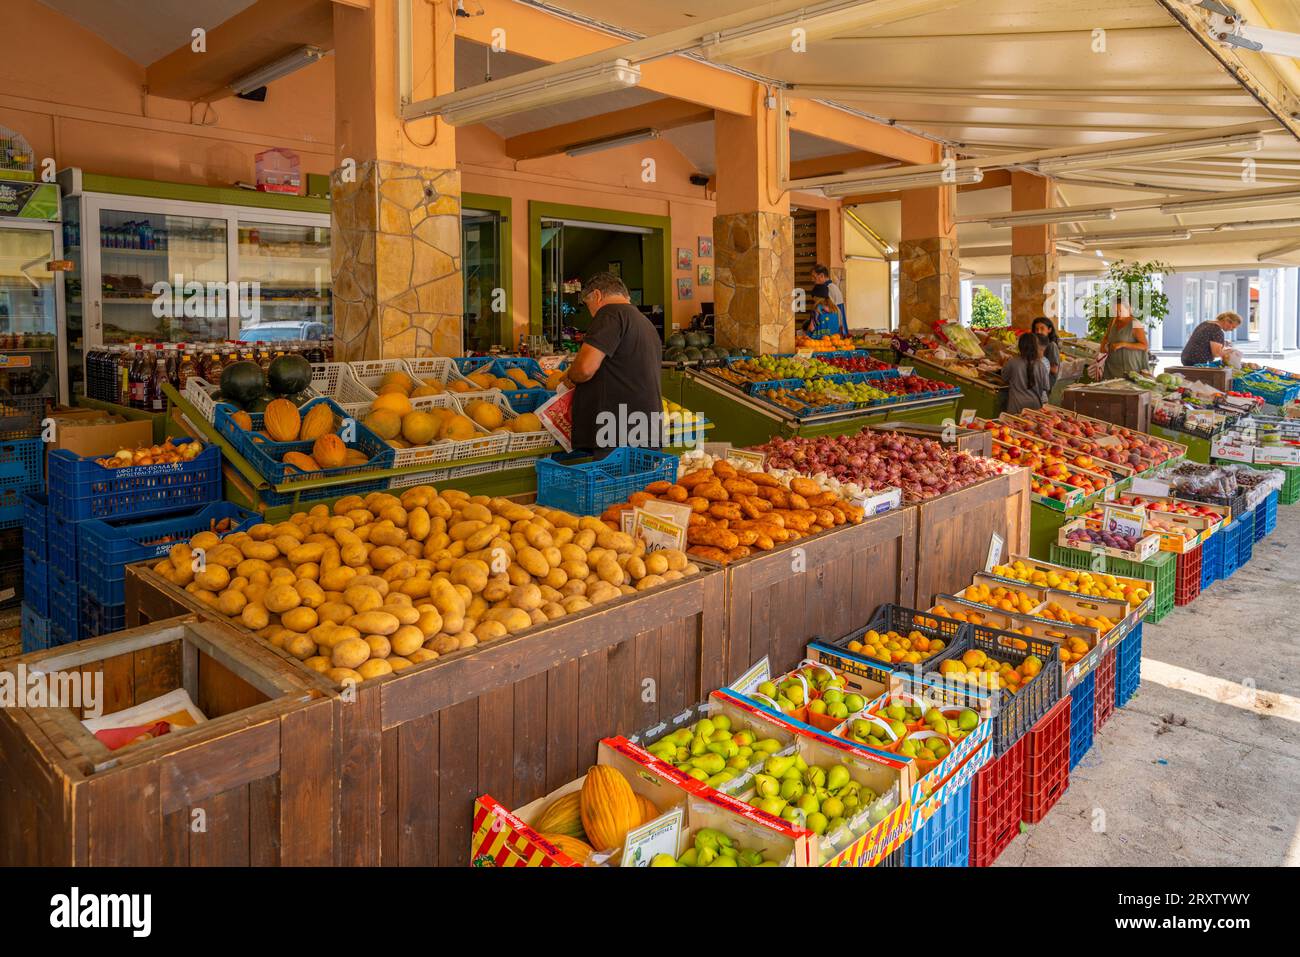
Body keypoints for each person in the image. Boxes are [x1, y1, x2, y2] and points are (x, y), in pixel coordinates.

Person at [561, 272, 662, 458]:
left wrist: (569, 377)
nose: (591, 313)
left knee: (613, 487)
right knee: (639, 486)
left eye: (587, 304)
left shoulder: (609, 314)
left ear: (597, 295)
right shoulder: (644, 322)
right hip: (644, 428)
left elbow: (584, 369)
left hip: (616, 432)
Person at [1002, 330, 1050, 414]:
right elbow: (1046, 387)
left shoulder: (1012, 362)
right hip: (1035, 408)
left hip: (1016, 407)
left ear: (1020, 347)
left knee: (1014, 426)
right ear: (1036, 347)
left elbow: (1004, 378)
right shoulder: (1041, 366)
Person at [1100, 299, 1149, 380]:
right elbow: (1106, 337)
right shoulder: (1113, 321)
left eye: (1121, 311)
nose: (1118, 314)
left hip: (1130, 369)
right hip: (1111, 368)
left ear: (1129, 309)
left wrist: (1123, 344)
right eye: (1116, 311)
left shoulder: (1135, 324)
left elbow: (1144, 346)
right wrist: (1103, 347)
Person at [812, 264, 845, 330]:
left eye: (814, 277)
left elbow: (832, 312)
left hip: (832, 331)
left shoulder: (829, 289)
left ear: (822, 276)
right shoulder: (833, 287)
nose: (812, 280)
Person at [1031, 316, 1061, 388]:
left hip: (1047, 385)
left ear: (1049, 330)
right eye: (1036, 329)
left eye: (1042, 328)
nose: (1039, 331)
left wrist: (1034, 365)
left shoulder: (1051, 345)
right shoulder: (1036, 344)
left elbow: (1054, 370)